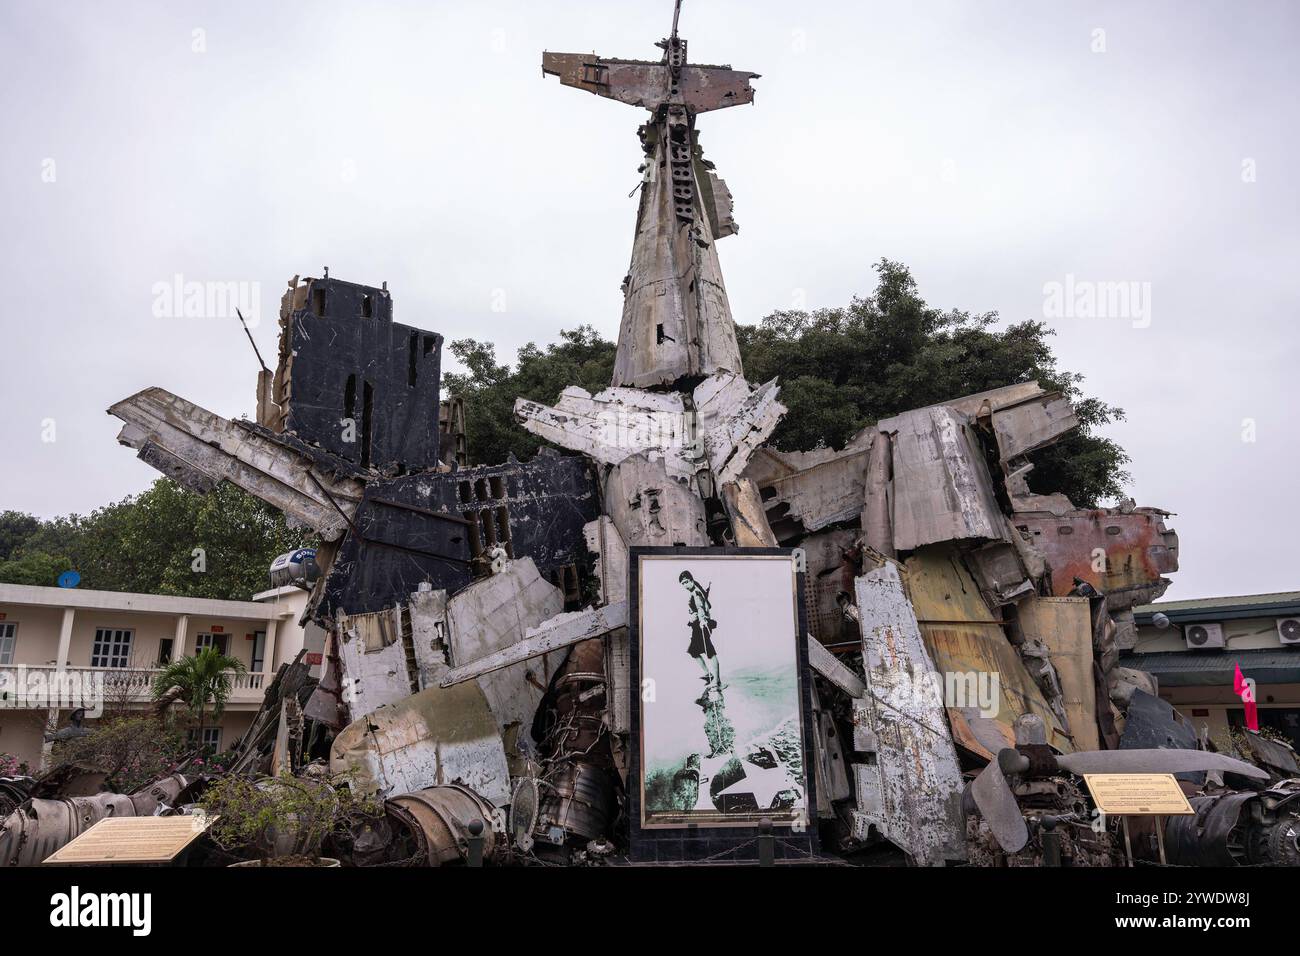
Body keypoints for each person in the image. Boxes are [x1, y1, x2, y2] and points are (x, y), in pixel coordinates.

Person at [679, 570, 721, 689]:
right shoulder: (695, 590)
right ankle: (708, 675)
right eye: (683, 583)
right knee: (694, 651)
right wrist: (693, 616)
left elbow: (701, 607)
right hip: (697, 627)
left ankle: (716, 681)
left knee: (710, 653)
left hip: (702, 626)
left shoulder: (696, 593)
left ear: (691, 580)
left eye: (687, 582)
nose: (685, 585)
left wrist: (702, 620)